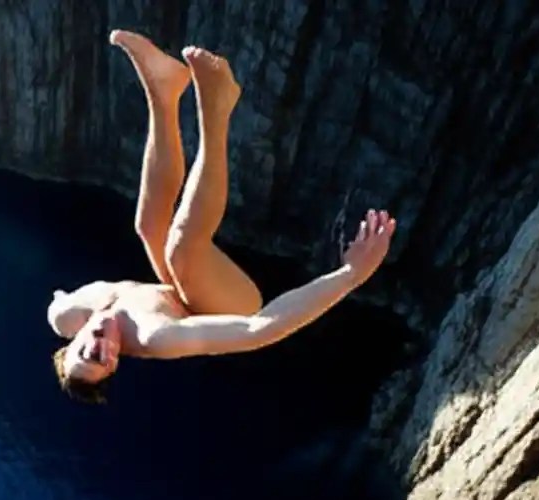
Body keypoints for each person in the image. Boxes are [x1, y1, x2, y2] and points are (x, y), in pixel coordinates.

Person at [47, 31, 396, 404]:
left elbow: (57, 304)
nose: (99, 350)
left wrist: (59, 299)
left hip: (179, 290)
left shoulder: (69, 314)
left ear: (71, 342)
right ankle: (217, 107)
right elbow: (258, 329)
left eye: (84, 353)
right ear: (116, 362)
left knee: (148, 228)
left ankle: (163, 90)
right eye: (103, 361)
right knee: (181, 249)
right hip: (232, 304)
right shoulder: (156, 337)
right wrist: (350, 276)